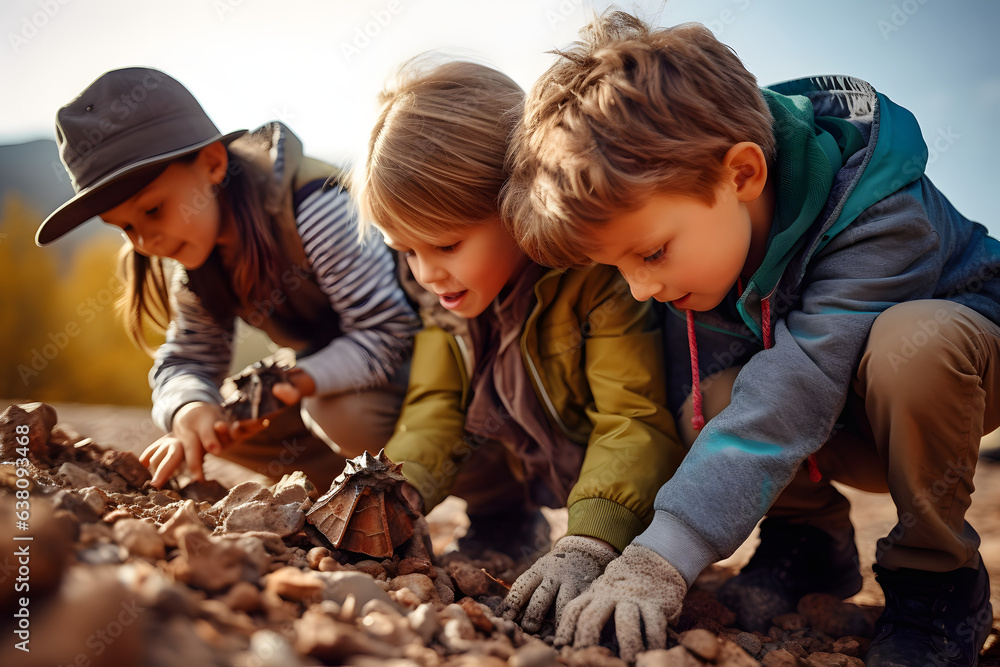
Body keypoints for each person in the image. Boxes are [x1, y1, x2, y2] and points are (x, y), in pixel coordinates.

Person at [503, 10, 1000, 665]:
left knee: (915, 341)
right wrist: (597, 543)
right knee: (706, 399)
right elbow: (714, 411)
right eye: (617, 266)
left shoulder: (882, 214)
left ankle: (938, 580)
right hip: (848, 411)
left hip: (960, 371)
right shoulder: (699, 252)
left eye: (650, 252)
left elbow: (794, 390)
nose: (640, 288)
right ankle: (810, 542)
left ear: (740, 174)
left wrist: (665, 556)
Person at [354, 58, 684, 631]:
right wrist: (394, 496)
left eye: (447, 244)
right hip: (535, 462)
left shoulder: (598, 278)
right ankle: (509, 520)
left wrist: (589, 542)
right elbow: (435, 410)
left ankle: (802, 538)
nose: (426, 272)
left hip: (621, 476)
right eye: (405, 250)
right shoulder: (445, 300)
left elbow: (631, 419)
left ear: (516, 202)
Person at [36, 67, 419, 491]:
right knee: (215, 423)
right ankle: (351, 496)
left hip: (422, 372)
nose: (145, 242)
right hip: (334, 378)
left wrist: (296, 381)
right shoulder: (196, 258)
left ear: (214, 164)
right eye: (125, 228)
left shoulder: (315, 209)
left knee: (340, 412)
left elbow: (390, 334)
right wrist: (189, 408)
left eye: (153, 210)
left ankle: (475, 495)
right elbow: (186, 359)